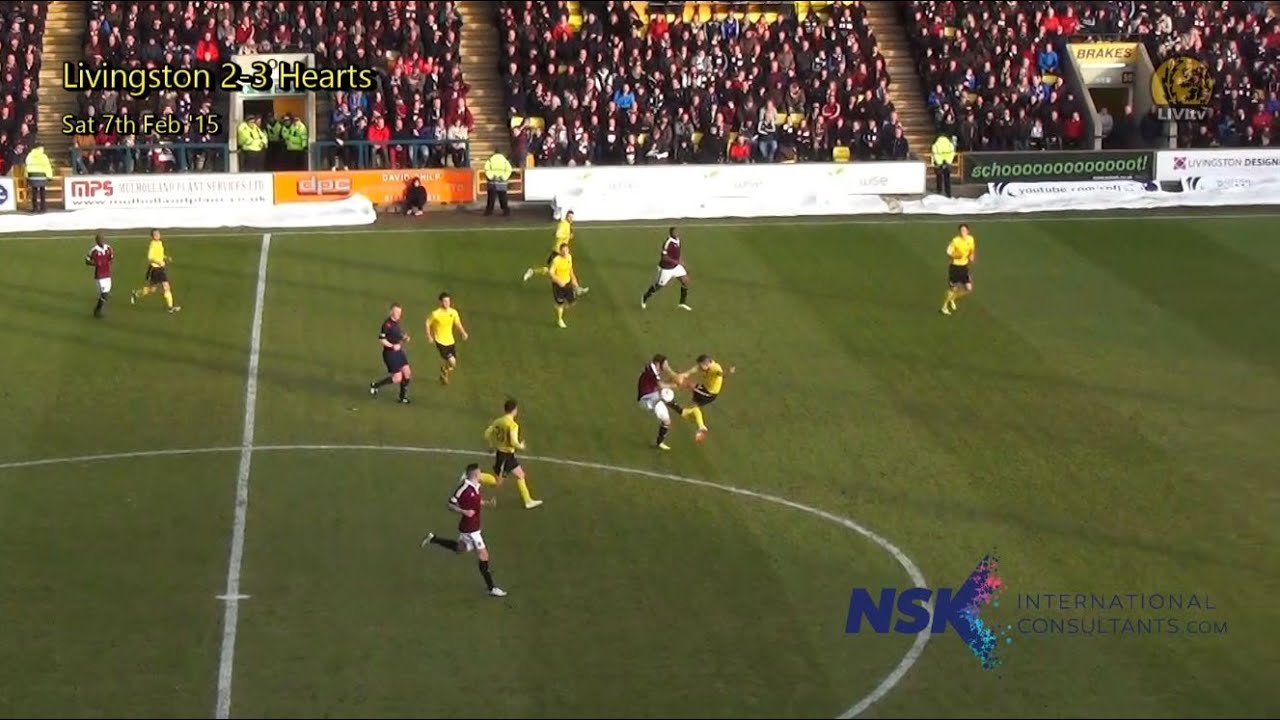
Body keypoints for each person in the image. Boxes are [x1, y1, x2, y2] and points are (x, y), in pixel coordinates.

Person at [420, 463, 508, 597]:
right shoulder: (464, 489)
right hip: (470, 528)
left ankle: (433, 539)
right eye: (479, 473)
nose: (480, 475)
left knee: (460, 549)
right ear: (475, 475)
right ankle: (491, 588)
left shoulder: (476, 487)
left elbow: (475, 501)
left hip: (474, 527)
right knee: (484, 555)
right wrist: (463, 511)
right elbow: (450, 504)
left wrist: (487, 503)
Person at [483, 399, 543, 509]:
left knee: (520, 475)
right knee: (497, 482)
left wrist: (492, 445)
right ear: (514, 410)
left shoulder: (498, 421)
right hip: (506, 456)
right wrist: (521, 446)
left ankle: (528, 500)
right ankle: (474, 477)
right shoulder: (513, 425)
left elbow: (487, 433)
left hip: (503, 454)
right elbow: (513, 442)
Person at [675, 354, 736, 443]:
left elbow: (720, 373)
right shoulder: (708, 365)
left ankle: (700, 425)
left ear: (706, 364)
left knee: (689, 385)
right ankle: (697, 423)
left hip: (709, 394)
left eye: (701, 366)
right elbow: (696, 368)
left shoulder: (715, 368)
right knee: (693, 405)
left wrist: (728, 371)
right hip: (705, 389)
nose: (700, 368)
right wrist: (686, 373)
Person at [523, 211, 587, 293]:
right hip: (557, 252)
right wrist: (566, 236)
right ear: (566, 217)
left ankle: (576, 288)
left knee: (570, 270)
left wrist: (569, 237)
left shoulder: (568, 225)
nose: (571, 219)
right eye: (569, 217)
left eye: (572, 217)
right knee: (550, 271)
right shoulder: (563, 224)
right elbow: (557, 234)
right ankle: (532, 271)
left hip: (563, 252)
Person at [636, 354, 687, 451]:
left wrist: (674, 380)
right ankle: (680, 410)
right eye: (665, 364)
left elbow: (657, 385)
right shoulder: (652, 369)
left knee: (666, 421)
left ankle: (659, 443)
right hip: (646, 400)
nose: (666, 367)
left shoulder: (653, 370)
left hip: (652, 397)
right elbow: (661, 385)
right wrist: (675, 386)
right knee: (665, 393)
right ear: (658, 363)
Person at [370, 302, 413, 403]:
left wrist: (404, 337)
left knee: (407, 373)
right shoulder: (387, 324)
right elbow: (382, 339)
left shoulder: (396, 323)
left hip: (398, 352)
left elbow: (397, 334)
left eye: (400, 312)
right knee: (398, 378)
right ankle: (376, 385)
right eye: (397, 312)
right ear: (391, 312)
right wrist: (392, 346)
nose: (399, 314)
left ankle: (402, 397)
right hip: (390, 354)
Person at [640, 227, 691, 311]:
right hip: (666, 268)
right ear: (671, 233)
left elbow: (678, 254)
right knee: (659, 286)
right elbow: (664, 257)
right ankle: (645, 297)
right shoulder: (668, 242)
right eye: (676, 232)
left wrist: (683, 263)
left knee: (685, 281)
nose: (678, 233)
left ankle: (682, 303)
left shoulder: (678, 240)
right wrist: (677, 262)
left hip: (676, 267)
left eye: (678, 231)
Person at [130, 229, 181, 313]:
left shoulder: (160, 243)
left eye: (158, 234)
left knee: (156, 288)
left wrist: (166, 257)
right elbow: (150, 258)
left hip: (160, 268)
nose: (158, 235)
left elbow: (160, 254)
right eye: (155, 234)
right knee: (160, 287)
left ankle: (137, 293)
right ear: (152, 236)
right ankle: (170, 307)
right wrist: (158, 262)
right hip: (155, 269)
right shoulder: (152, 244)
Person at [426, 291, 469, 385]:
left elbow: (457, 323)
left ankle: (444, 370)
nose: (447, 303)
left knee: (453, 364)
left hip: (450, 341)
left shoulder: (453, 312)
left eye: (448, 301)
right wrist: (429, 336)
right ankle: (444, 370)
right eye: (445, 301)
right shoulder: (435, 314)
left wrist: (463, 333)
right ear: (440, 302)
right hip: (440, 341)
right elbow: (427, 323)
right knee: (452, 361)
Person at [941, 223, 977, 316]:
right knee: (953, 289)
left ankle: (953, 299)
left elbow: (972, 250)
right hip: (955, 267)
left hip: (964, 267)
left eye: (964, 230)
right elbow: (948, 251)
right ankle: (944, 307)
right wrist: (955, 255)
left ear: (968, 231)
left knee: (969, 289)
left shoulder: (971, 239)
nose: (963, 232)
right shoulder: (955, 241)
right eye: (961, 230)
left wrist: (972, 256)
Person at [548, 243, 583, 329]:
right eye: (563, 251)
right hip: (558, 285)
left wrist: (575, 282)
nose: (565, 252)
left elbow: (570, 270)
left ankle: (560, 306)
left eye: (566, 250)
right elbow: (551, 273)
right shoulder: (556, 260)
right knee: (560, 303)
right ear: (560, 251)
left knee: (572, 302)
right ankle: (560, 319)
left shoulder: (569, 257)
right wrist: (558, 281)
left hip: (567, 283)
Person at [85, 233, 114, 318]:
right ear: (96, 241)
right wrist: (95, 263)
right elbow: (87, 261)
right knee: (104, 294)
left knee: (106, 294)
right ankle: (97, 311)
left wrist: (108, 263)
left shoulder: (108, 248)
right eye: (100, 239)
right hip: (99, 275)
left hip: (107, 274)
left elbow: (111, 259)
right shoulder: (94, 250)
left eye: (103, 239)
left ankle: (97, 309)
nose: (102, 241)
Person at [483, 147, 513, 216]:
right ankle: (506, 211)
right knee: (503, 197)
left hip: (492, 182)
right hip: (502, 182)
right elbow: (509, 169)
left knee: (491, 198)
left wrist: (492, 177)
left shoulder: (490, 160)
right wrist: (503, 177)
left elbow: (486, 169)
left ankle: (489, 211)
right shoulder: (505, 160)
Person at [24, 145, 52, 213]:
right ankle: (43, 208)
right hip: (42, 176)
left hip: (32, 176)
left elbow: (27, 166)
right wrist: (49, 176)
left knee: (34, 192)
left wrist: (26, 176)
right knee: (42, 192)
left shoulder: (30, 155)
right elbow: (47, 166)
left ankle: (35, 208)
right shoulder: (44, 156)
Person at [931, 133, 955, 198]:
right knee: (947, 178)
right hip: (947, 162)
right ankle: (948, 193)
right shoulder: (949, 143)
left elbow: (934, 153)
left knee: (939, 177)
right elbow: (952, 152)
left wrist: (939, 162)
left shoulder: (936, 143)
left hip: (939, 163)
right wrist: (948, 161)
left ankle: (939, 191)